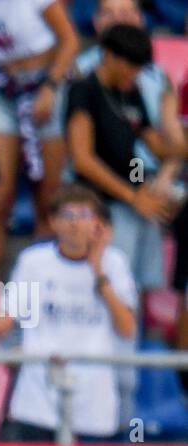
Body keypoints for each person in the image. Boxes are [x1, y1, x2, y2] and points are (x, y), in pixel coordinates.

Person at [0, 185, 136, 442]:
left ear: (98, 223)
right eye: (67, 215)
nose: (75, 224)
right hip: (37, 396)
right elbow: (5, 319)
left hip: (95, 397)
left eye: (84, 215)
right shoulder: (33, 261)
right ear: (53, 222)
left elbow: (127, 328)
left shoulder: (114, 263)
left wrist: (98, 270)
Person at [0, 0, 79, 269]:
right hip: (4, 92)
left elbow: (69, 41)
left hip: (46, 87)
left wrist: (51, 86)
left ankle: (45, 284)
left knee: (48, 198)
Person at [66, 24, 177, 294]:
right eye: (131, 66)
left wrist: (173, 118)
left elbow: (153, 145)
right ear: (109, 56)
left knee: (141, 282)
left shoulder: (130, 90)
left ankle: (136, 331)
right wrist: (132, 197)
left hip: (134, 190)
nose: (135, 74)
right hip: (102, 201)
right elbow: (82, 160)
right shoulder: (84, 91)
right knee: (118, 280)